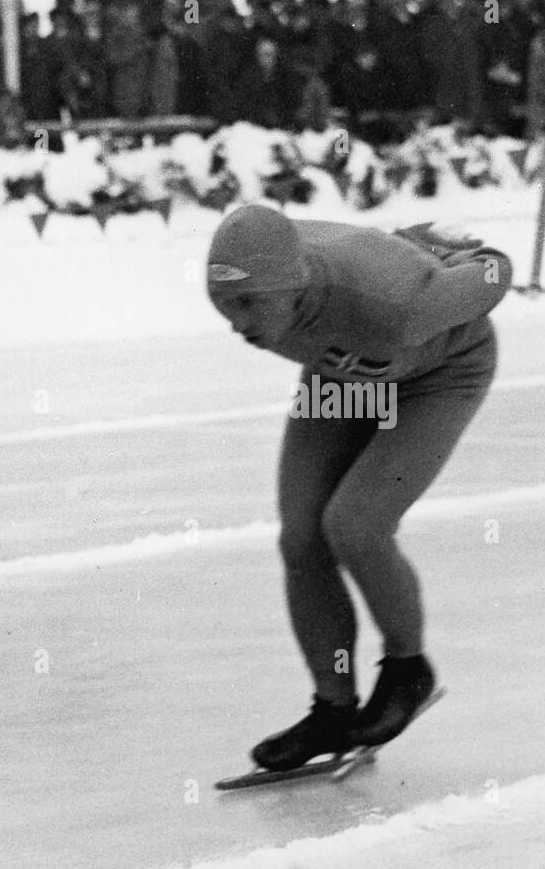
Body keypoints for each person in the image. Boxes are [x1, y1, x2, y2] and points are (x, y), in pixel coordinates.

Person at [205, 203, 513, 771]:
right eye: (225, 306)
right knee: (301, 539)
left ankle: (406, 669)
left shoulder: (397, 303)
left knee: (356, 526)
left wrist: (464, 257)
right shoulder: (276, 280)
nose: (238, 324)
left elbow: (499, 272)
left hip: (442, 373)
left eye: (248, 304)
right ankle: (333, 708)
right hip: (343, 376)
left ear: (295, 284)